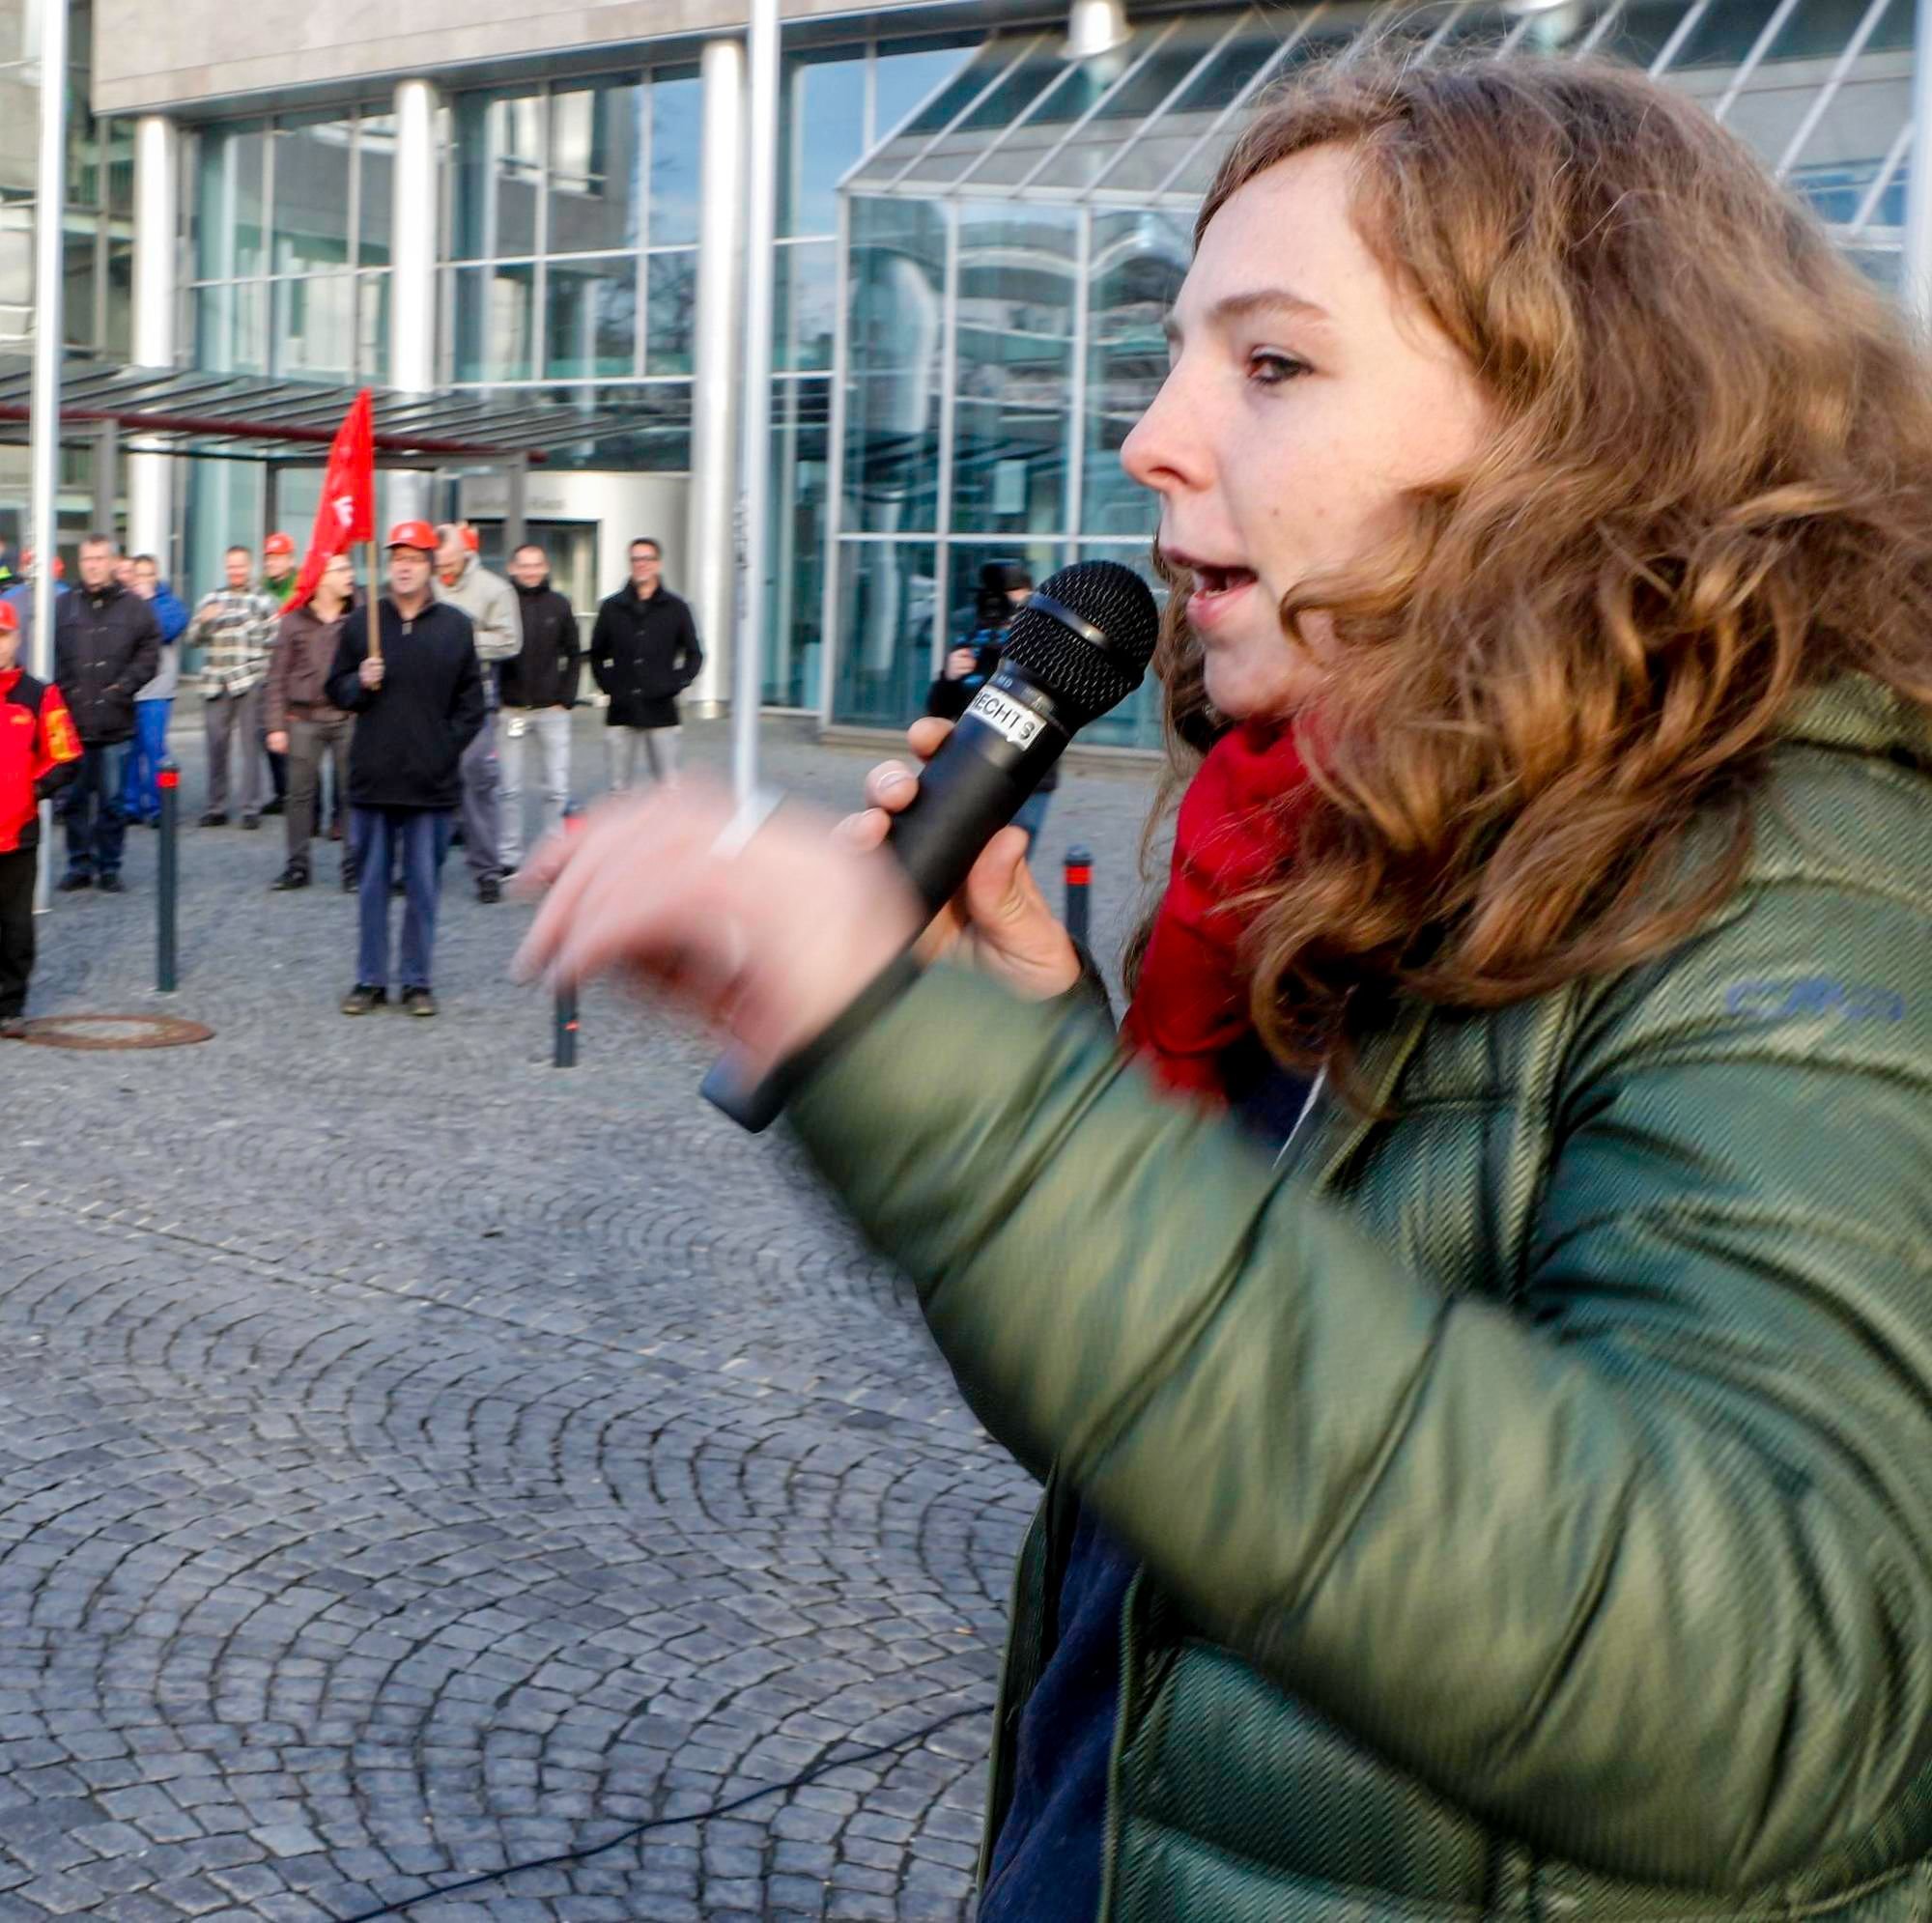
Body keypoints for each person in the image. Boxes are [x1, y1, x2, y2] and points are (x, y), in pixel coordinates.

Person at [517, 50, 1932, 1923]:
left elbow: (1777, 1702)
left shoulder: (1800, 877)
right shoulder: (1377, 849)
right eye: (1180, 354)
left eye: (1270, 364)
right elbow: (1196, 1444)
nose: (1150, 438)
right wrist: (1033, 1043)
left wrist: (974, 1113)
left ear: (1577, 420)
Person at [327, 522, 484, 1019]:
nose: (405, 564)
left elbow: (473, 704)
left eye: (415, 556)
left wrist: (444, 749)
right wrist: (359, 681)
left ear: (432, 563)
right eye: (398, 556)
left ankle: (417, 980)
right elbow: (335, 689)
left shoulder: (456, 626)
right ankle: (370, 979)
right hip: (374, 778)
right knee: (372, 886)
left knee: (423, 886)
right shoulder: (363, 623)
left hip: (430, 784)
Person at [51, 534, 158, 894]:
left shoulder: (135, 608)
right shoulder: (63, 606)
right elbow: (50, 654)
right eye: (87, 559)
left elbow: (150, 650)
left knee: (113, 802)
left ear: (113, 561)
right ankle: (79, 864)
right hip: (73, 722)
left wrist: (123, 687)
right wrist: (65, 691)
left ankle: (110, 866)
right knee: (75, 800)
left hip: (116, 722)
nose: (93, 565)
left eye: (99, 557)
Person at [926, 561, 1055, 852]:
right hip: (974, 768)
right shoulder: (973, 641)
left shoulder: (1046, 641)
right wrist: (949, 677)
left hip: (1030, 775)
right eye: (998, 595)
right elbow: (936, 710)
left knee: (1011, 859)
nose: (1006, 604)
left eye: (1013, 593)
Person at [0, 601, 82, 1036]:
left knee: (15, 925)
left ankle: (10, 1007)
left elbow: (66, 754)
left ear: (16, 639)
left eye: (2, 636)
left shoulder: (39, 693)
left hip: (17, 831)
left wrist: (31, 791)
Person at [432, 522, 518, 904]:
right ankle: (417, 867)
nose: (442, 569)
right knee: (423, 781)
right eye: (436, 562)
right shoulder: (424, 585)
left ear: (464, 553)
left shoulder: (494, 589)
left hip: (472, 702)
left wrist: (459, 642)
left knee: (477, 782)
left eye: (447, 560)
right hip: (426, 701)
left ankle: (486, 870)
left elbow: (509, 641)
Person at [264, 551, 358, 893]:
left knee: (351, 794)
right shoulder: (293, 621)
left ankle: (353, 867)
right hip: (303, 719)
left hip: (348, 716)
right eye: (342, 568)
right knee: (299, 796)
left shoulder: (360, 618)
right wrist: (275, 726)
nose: (350, 574)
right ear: (321, 578)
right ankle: (297, 866)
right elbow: (276, 677)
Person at [589, 538, 701, 792]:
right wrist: (610, 686)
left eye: (647, 559)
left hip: (661, 709)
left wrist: (675, 683)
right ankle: (621, 832)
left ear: (658, 563)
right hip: (621, 709)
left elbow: (694, 654)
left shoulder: (676, 607)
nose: (641, 564)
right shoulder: (611, 607)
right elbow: (597, 654)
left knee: (668, 787)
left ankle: (669, 833)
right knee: (619, 788)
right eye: (636, 559)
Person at [499, 542, 580, 875]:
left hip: (551, 709)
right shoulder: (502, 604)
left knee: (556, 787)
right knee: (508, 788)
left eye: (537, 565)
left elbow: (574, 653)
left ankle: (554, 856)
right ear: (512, 568)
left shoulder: (559, 605)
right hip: (511, 709)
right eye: (524, 565)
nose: (530, 571)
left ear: (546, 568)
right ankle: (508, 857)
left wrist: (567, 697)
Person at [187, 546, 277, 829]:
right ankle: (217, 807)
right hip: (215, 682)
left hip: (249, 681)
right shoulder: (211, 599)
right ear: (225, 567)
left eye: (240, 566)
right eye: (231, 566)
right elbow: (192, 639)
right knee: (215, 746)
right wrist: (204, 621)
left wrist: (261, 675)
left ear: (249, 567)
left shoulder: (263, 600)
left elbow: (275, 642)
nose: (236, 571)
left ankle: (250, 808)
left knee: (250, 747)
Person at [120, 554, 189, 828]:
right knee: (130, 752)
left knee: (154, 748)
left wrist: (145, 604)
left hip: (157, 690)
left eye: (149, 574)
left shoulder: (169, 604)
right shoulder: (124, 603)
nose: (144, 580)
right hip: (130, 690)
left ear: (156, 576)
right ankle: (131, 805)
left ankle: (160, 806)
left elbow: (165, 630)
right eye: (139, 575)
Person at [258, 530, 299, 818]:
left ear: (290, 559)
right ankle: (281, 792)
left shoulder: (299, 588)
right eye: (269, 557)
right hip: (266, 670)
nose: (272, 562)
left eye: (277, 557)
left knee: (295, 736)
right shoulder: (260, 589)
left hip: (292, 671)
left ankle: (296, 793)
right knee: (268, 733)